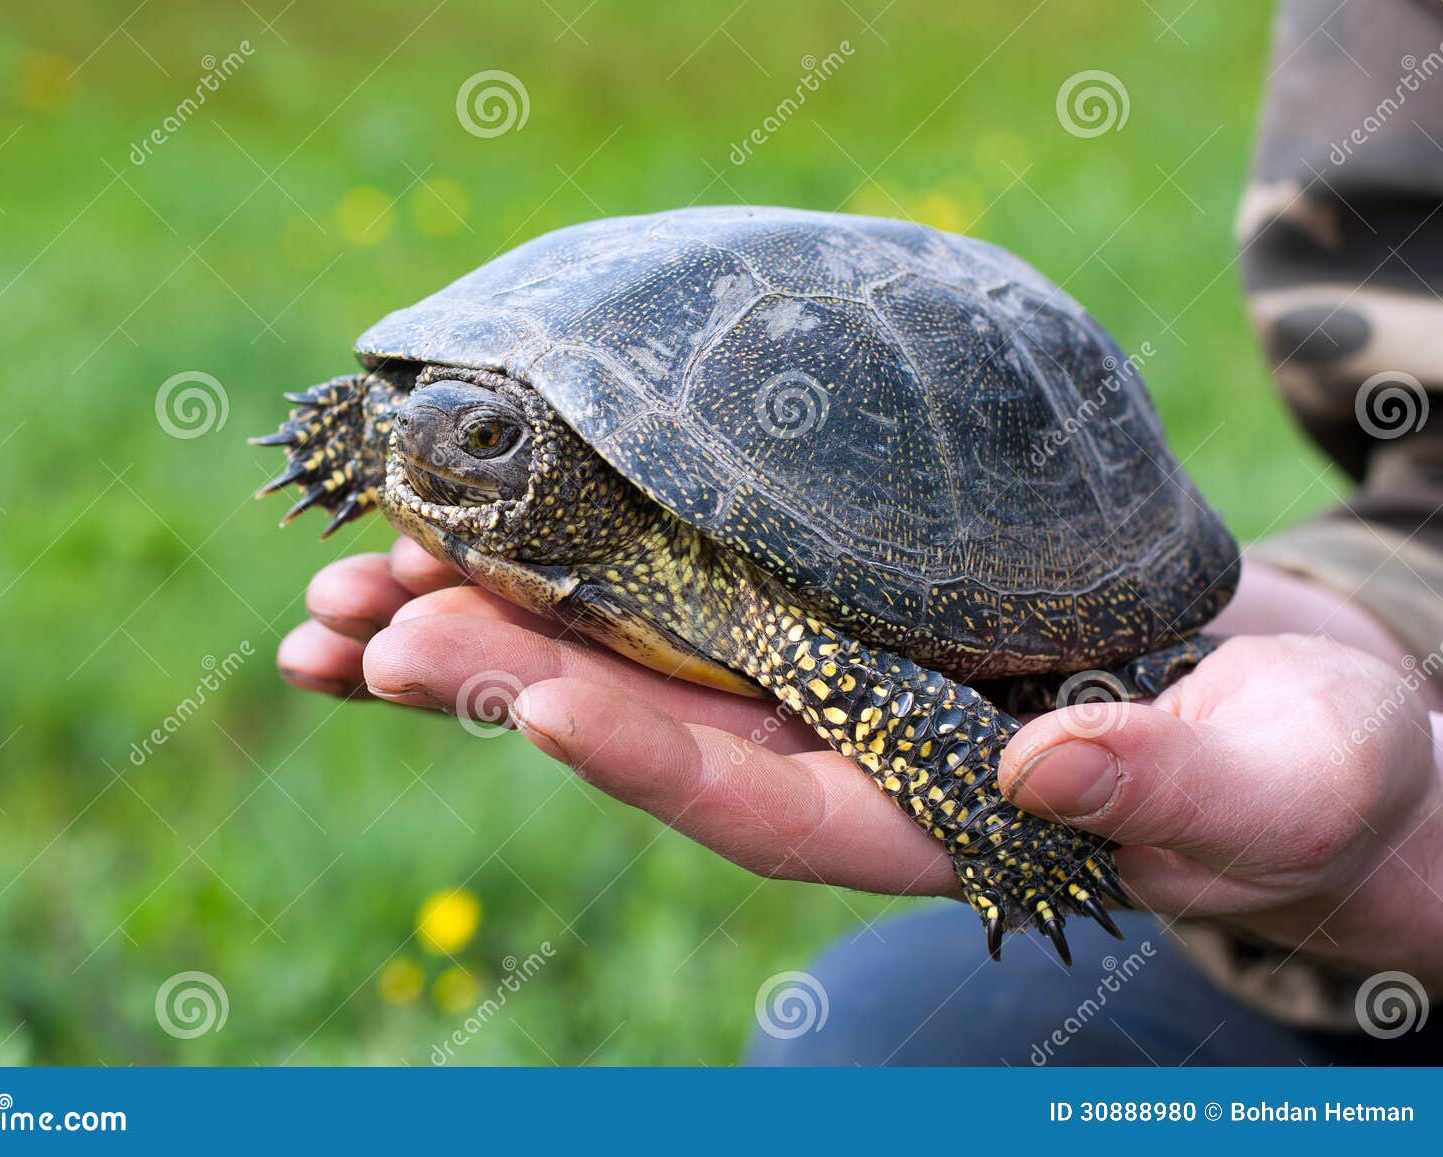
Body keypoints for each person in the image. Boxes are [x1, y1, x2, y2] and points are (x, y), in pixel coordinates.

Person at [276, 0, 1443, 1064]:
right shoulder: (450, 435)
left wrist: (1001, 830)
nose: (419, 441)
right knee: (855, 1044)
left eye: (485, 438)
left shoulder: (731, 580)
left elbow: (855, 673)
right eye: (424, 423)